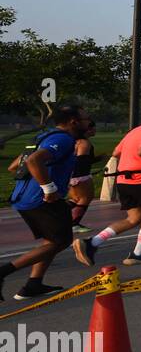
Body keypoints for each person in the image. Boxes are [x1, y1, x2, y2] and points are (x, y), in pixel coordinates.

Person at [2, 105, 89, 299]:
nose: (88, 122)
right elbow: (33, 161)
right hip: (42, 199)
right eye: (85, 119)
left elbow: (14, 166)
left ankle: (34, 284)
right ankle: (3, 272)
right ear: (73, 122)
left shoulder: (44, 136)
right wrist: (49, 188)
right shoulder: (64, 139)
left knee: (51, 240)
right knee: (61, 241)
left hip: (22, 197)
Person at [74, 101, 141, 268]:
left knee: (134, 218)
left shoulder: (134, 131)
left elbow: (116, 152)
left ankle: (92, 243)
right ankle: (138, 254)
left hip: (124, 181)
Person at [68, 117, 98, 234]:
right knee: (85, 198)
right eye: (94, 127)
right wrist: (79, 178)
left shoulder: (75, 141)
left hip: (74, 175)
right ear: (88, 129)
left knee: (76, 199)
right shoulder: (83, 142)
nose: (96, 130)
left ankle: (61, 218)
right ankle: (74, 224)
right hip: (80, 176)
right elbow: (81, 160)